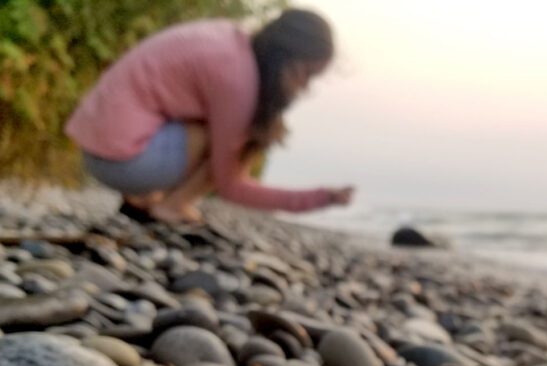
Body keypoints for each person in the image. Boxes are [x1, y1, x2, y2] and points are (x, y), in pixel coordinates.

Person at [65, 9, 353, 224]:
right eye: (304, 75)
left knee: (213, 128)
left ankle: (145, 197)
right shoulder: (238, 82)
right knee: (226, 142)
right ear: (284, 58)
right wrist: (321, 198)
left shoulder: (229, 39)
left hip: (96, 142)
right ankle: (172, 207)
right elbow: (231, 186)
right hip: (119, 163)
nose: (302, 88)